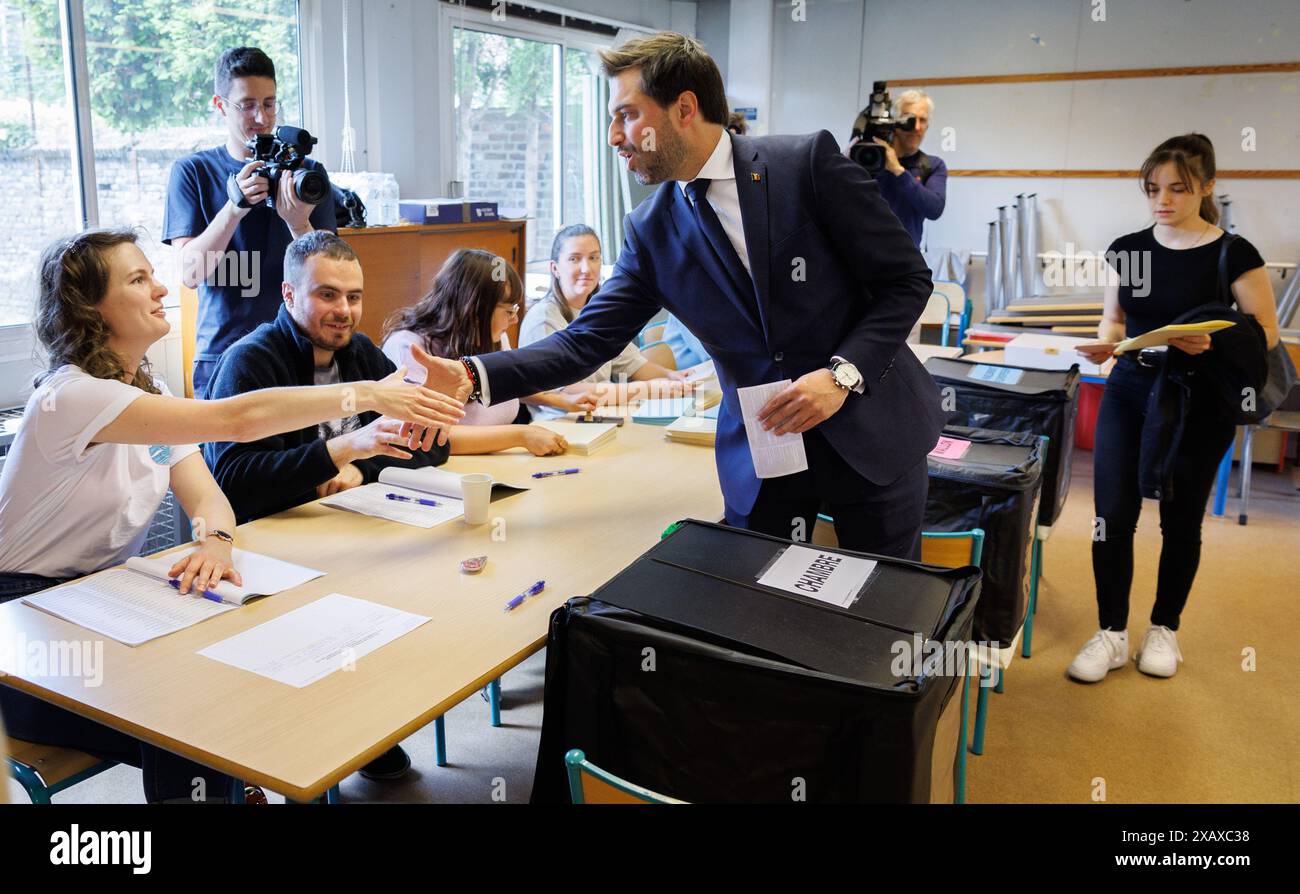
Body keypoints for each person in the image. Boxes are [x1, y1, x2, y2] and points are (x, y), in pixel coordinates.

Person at [416, 32, 945, 558]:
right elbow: (584, 342)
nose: (613, 136)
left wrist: (840, 375)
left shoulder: (804, 166)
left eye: (626, 115)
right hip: (766, 457)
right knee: (760, 619)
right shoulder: (651, 230)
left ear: (684, 108)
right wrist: (471, 374)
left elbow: (906, 281)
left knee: (884, 615)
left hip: (870, 429)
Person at [0, 229, 460, 802]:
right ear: (89, 306)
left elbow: (208, 495)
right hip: (20, 616)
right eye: (139, 279)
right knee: (183, 715)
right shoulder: (71, 397)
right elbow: (234, 422)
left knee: (235, 675)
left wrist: (215, 541)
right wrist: (369, 393)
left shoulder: (147, 388)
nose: (161, 286)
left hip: (98, 596)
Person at [1068, 134, 1280, 682]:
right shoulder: (1129, 248)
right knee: (1110, 515)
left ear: (1207, 187)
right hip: (1131, 389)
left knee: (1181, 519)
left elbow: (1268, 335)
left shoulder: (1234, 252)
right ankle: (1111, 632)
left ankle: (1165, 628)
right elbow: (1114, 320)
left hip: (1198, 398)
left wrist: (1213, 342)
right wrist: (1111, 346)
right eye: (1153, 189)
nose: (1163, 199)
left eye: (1178, 189)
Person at [164, 46, 337, 398]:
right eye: (247, 105)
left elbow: (335, 276)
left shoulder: (308, 174)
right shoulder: (194, 172)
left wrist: (298, 225)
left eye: (270, 103)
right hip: (223, 355)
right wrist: (234, 206)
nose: (261, 117)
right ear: (220, 105)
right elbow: (190, 273)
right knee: (229, 454)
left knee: (306, 453)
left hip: (297, 349)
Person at [382, 249, 578, 455]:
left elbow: (505, 383)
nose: (514, 320)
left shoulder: (492, 335)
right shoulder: (409, 347)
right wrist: (521, 435)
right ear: (475, 310)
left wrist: (558, 401)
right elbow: (427, 435)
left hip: (496, 460)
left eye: (516, 310)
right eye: (508, 311)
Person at [521, 224, 692, 421]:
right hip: (561, 423)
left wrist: (674, 378)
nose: (586, 269)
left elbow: (632, 364)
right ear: (555, 268)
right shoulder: (543, 319)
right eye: (574, 259)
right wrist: (644, 389)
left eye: (593, 258)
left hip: (602, 417)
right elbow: (566, 391)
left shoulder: (599, 313)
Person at [868, 89, 947, 247]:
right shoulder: (868, 159)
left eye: (923, 120)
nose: (916, 127)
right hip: (862, 257)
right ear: (895, 123)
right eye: (909, 119)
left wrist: (898, 170)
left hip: (907, 262)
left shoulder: (932, 165)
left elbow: (934, 209)